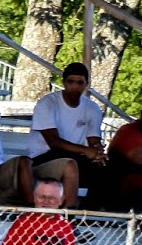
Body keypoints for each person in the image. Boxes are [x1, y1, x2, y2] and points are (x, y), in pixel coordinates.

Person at [29, 62, 106, 208]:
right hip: (42, 158)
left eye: (79, 83)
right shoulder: (47, 103)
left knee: (106, 169)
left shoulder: (92, 108)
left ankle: (89, 215)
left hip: (75, 157)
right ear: (63, 82)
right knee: (70, 164)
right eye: (71, 82)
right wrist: (85, 151)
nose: (75, 87)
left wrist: (97, 153)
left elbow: (94, 140)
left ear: (86, 84)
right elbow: (53, 141)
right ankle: (69, 215)